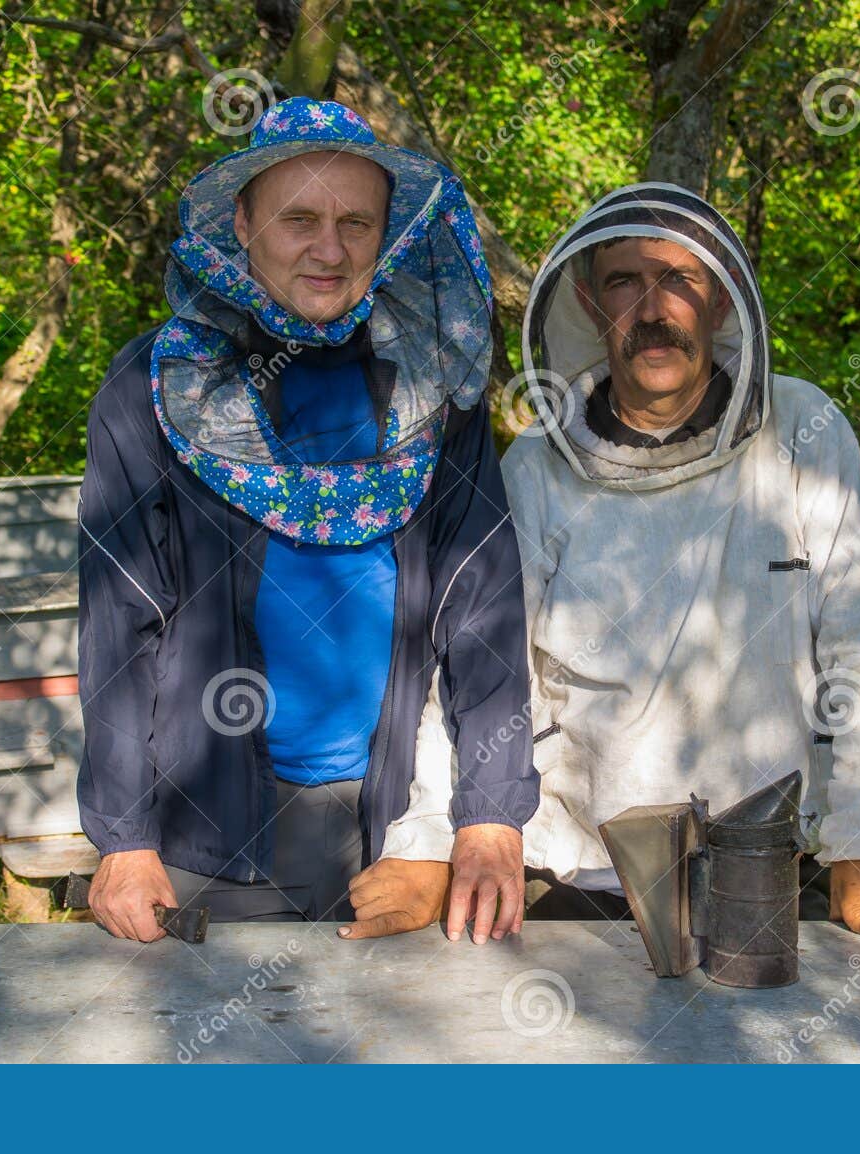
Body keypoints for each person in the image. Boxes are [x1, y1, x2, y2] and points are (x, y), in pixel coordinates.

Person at [368, 183, 860, 972]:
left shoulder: (804, 435)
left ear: (721, 299)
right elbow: (481, 662)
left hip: (769, 870)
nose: (652, 308)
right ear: (589, 302)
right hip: (574, 875)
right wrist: (430, 840)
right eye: (624, 282)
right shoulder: (537, 466)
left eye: (679, 279)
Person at [75, 97, 538, 943]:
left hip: (396, 831)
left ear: (386, 235)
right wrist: (124, 836)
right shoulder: (154, 385)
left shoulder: (431, 383)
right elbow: (119, 623)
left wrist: (489, 815)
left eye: (356, 223)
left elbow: (483, 610)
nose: (330, 249)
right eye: (298, 220)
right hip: (205, 829)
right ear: (242, 223)